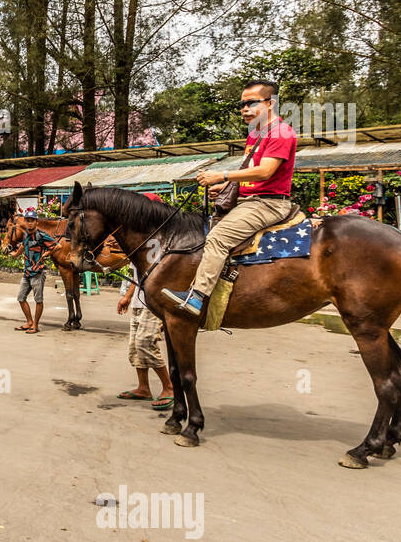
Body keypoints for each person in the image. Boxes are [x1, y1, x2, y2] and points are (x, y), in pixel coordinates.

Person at [162, 79, 299, 315]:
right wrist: (225, 185)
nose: (244, 109)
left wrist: (222, 174)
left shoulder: (281, 133)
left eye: (251, 103)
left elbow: (266, 171)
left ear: (271, 103)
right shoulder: (255, 134)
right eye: (242, 104)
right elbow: (249, 173)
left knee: (217, 238)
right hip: (248, 202)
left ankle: (197, 297)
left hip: (267, 204)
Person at [116, 195, 175, 408]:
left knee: (145, 342)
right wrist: (128, 296)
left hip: (155, 300)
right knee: (134, 347)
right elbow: (137, 272)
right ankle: (143, 388)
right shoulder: (140, 237)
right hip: (139, 299)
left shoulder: (165, 237)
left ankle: (169, 387)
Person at [15, 206, 54, 334]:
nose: (30, 222)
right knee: (21, 297)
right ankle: (29, 322)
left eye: (32, 220)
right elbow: (22, 246)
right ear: (25, 222)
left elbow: (57, 246)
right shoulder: (26, 234)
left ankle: (35, 325)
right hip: (27, 272)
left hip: (38, 272)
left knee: (38, 300)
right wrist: (15, 254)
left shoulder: (42, 235)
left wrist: (46, 254)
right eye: (28, 220)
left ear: (36, 222)